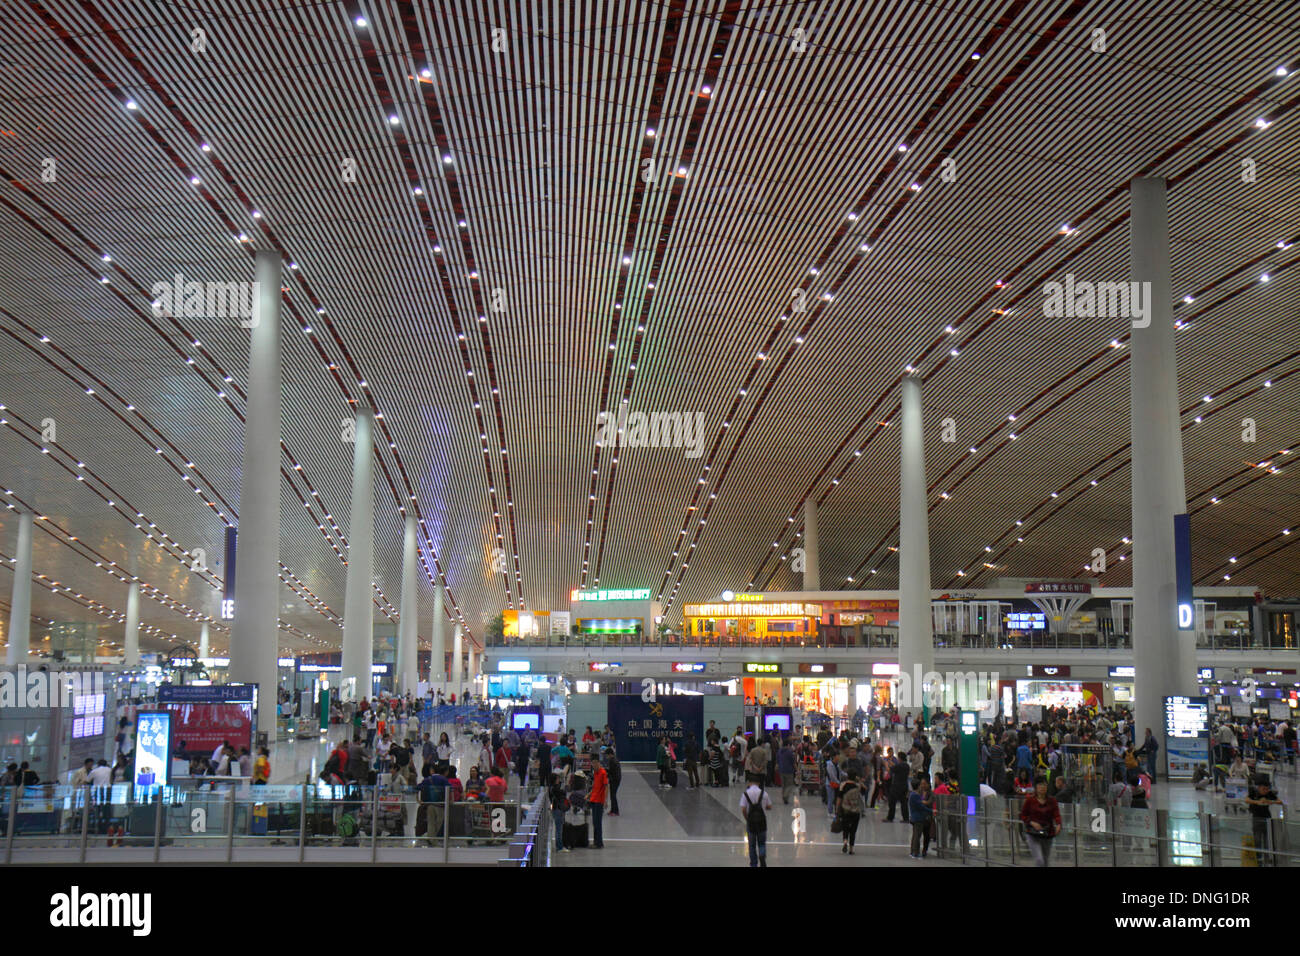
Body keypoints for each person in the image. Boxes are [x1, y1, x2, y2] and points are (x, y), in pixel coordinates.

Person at [1019, 776, 1062, 867]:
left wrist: (1058, 824)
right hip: (1033, 833)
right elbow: (1023, 815)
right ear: (1036, 787)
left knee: (1045, 860)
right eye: (1040, 785)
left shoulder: (1052, 801)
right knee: (1039, 860)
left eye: (1044, 785)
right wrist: (1032, 823)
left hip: (1047, 834)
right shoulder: (1030, 801)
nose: (1042, 787)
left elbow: (1056, 814)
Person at [1246, 779, 1282, 865]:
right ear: (1259, 788)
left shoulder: (1269, 794)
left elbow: (1280, 801)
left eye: (1267, 789)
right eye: (1263, 789)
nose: (1265, 791)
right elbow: (1247, 800)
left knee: (1267, 841)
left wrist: (1270, 801)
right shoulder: (1254, 793)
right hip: (1257, 819)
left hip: (1267, 820)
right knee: (1257, 840)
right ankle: (1258, 859)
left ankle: (1267, 859)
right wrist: (1257, 802)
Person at [740, 779, 773, 867]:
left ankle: (753, 864)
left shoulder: (745, 794)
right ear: (758, 783)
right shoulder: (764, 794)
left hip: (751, 823)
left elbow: (743, 809)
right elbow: (769, 806)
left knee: (752, 845)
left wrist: (747, 819)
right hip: (762, 822)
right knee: (761, 843)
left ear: (749, 782)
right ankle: (762, 854)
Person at [836, 772, 865, 855]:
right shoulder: (858, 786)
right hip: (855, 810)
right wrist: (860, 781)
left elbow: (839, 798)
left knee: (845, 827)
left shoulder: (843, 785)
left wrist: (837, 809)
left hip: (845, 809)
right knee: (853, 830)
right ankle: (851, 849)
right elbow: (864, 791)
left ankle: (845, 841)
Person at [908, 775, 933, 858]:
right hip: (918, 818)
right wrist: (932, 811)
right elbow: (921, 806)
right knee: (917, 836)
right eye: (921, 784)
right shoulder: (916, 795)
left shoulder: (913, 794)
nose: (922, 786)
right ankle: (916, 852)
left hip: (918, 817)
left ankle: (913, 851)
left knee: (916, 835)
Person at [589, 754, 608, 848]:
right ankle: (596, 842)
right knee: (594, 822)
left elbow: (606, 786)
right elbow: (595, 786)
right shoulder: (595, 773)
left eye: (594, 764)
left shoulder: (603, 772)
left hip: (599, 801)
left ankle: (599, 843)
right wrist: (588, 795)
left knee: (597, 822)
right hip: (594, 799)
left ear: (598, 763)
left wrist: (605, 801)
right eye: (592, 764)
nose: (593, 766)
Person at [885, 753, 910, 823]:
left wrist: (886, 763)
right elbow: (896, 767)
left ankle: (890, 817)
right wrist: (891, 763)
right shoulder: (906, 766)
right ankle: (906, 818)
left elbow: (890, 769)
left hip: (896, 787)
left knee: (892, 802)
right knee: (904, 803)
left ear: (900, 758)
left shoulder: (899, 766)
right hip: (904, 786)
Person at [549, 774, 568, 852]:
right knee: (559, 829)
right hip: (558, 809)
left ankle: (559, 845)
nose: (558, 780)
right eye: (557, 779)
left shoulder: (551, 788)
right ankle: (559, 846)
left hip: (555, 809)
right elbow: (563, 793)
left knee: (558, 828)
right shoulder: (555, 789)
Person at [777, 737, 797, 804]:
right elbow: (793, 762)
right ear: (788, 745)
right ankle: (785, 796)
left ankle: (784, 797)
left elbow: (777, 761)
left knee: (783, 785)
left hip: (781, 770)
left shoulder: (779, 751)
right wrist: (796, 770)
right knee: (789, 785)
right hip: (789, 770)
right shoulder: (789, 752)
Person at [605, 746, 622, 815]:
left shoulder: (612, 760)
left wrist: (605, 772)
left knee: (613, 795)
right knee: (612, 795)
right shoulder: (614, 759)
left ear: (610, 754)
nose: (606, 757)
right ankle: (612, 810)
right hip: (616, 779)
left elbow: (610, 771)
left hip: (615, 780)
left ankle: (615, 811)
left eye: (607, 755)